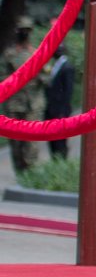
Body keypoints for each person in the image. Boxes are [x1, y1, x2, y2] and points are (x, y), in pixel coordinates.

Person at [2, 22, 43, 175]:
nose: (24, 33)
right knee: (15, 141)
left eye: (26, 31)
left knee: (31, 140)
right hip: (14, 104)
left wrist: (36, 76)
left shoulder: (37, 53)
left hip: (32, 104)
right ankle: (20, 172)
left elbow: (47, 77)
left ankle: (30, 174)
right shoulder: (9, 54)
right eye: (21, 30)